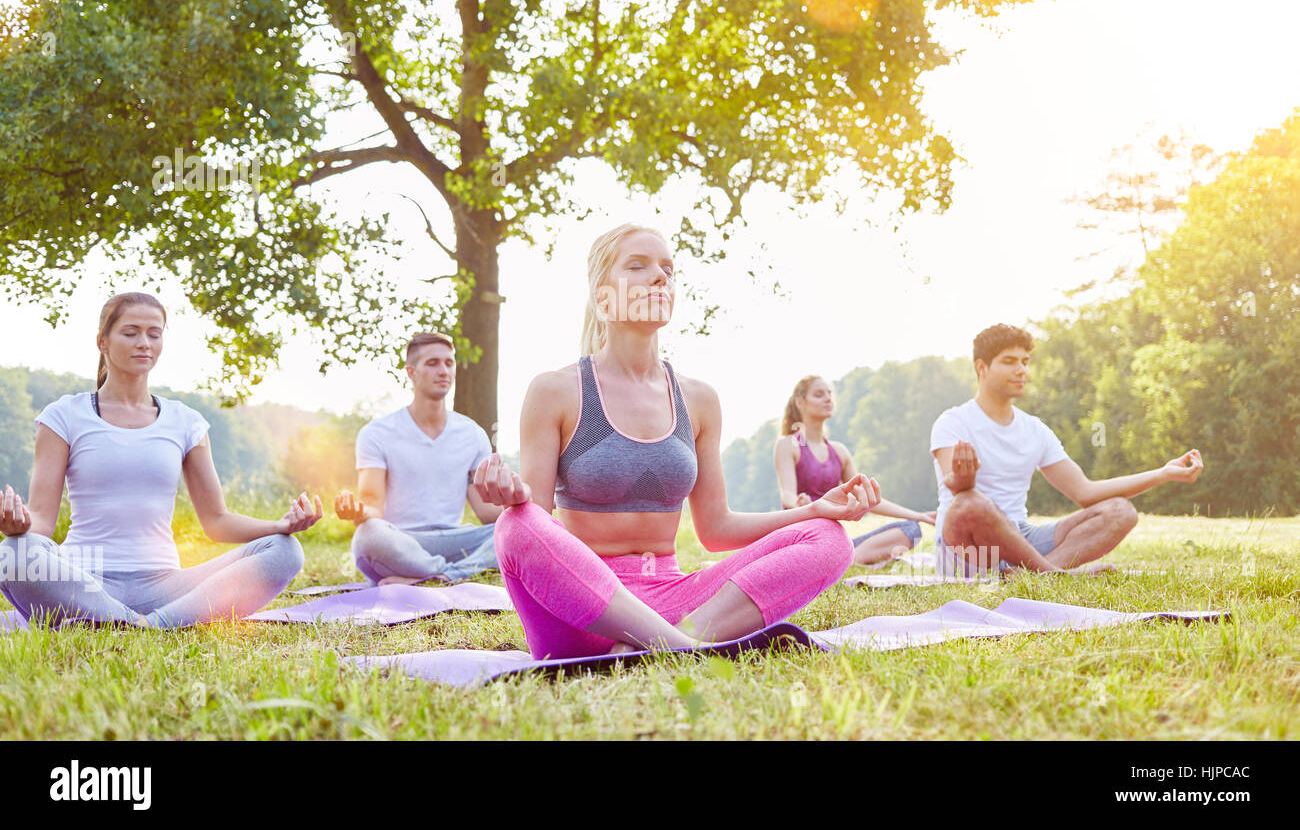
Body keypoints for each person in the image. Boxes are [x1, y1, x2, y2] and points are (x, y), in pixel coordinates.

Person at [473, 223, 883, 660]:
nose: (660, 277)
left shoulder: (699, 399)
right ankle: (684, 649)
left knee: (829, 538)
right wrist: (513, 497)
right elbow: (538, 525)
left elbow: (717, 529)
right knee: (515, 524)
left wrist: (815, 509)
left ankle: (670, 644)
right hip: (584, 612)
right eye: (638, 265)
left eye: (668, 269)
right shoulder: (556, 390)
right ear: (602, 294)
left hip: (676, 599)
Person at [0, 292, 321, 629]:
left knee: (286, 551)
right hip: (83, 578)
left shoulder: (186, 422)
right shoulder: (64, 415)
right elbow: (42, 524)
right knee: (14, 553)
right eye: (131, 332)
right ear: (103, 342)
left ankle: (148, 624)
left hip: (165, 586)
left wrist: (280, 527)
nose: (144, 343)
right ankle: (132, 621)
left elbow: (217, 521)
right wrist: (18, 527)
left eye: (154, 334)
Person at [931, 323, 1204, 577]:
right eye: (1009, 361)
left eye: (1025, 362)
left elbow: (1085, 493)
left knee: (1121, 511)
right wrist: (964, 481)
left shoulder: (1035, 430)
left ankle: (1036, 576)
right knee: (971, 502)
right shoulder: (953, 421)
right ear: (982, 367)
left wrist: (1163, 473)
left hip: (1021, 539)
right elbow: (954, 487)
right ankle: (1051, 575)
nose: (1022, 370)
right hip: (970, 549)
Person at [333, 332, 504, 585]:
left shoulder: (472, 434)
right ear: (411, 373)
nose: (444, 371)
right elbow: (373, 507)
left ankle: (440, 576)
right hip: (400, 541)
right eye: (432, 363)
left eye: (449, 363)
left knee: (522, 531)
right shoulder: (377, 433)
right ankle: (454, 573)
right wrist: (357, 512)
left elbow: (487, 513)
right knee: (367, 536)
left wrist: (521, 505)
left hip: (455, 540)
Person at [773, 375, 935, 565]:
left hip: (832, 540)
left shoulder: (840, 452)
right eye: (819, 395)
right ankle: (838, 560)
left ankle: (845, 560)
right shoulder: (788, 444)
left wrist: (919, 516)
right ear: (800, 402)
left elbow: (868, 499)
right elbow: (787, 495)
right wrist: (800, 504)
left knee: (911, 529)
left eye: (829, 393)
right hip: (801, 538)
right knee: (823, 547)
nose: (827, 399)